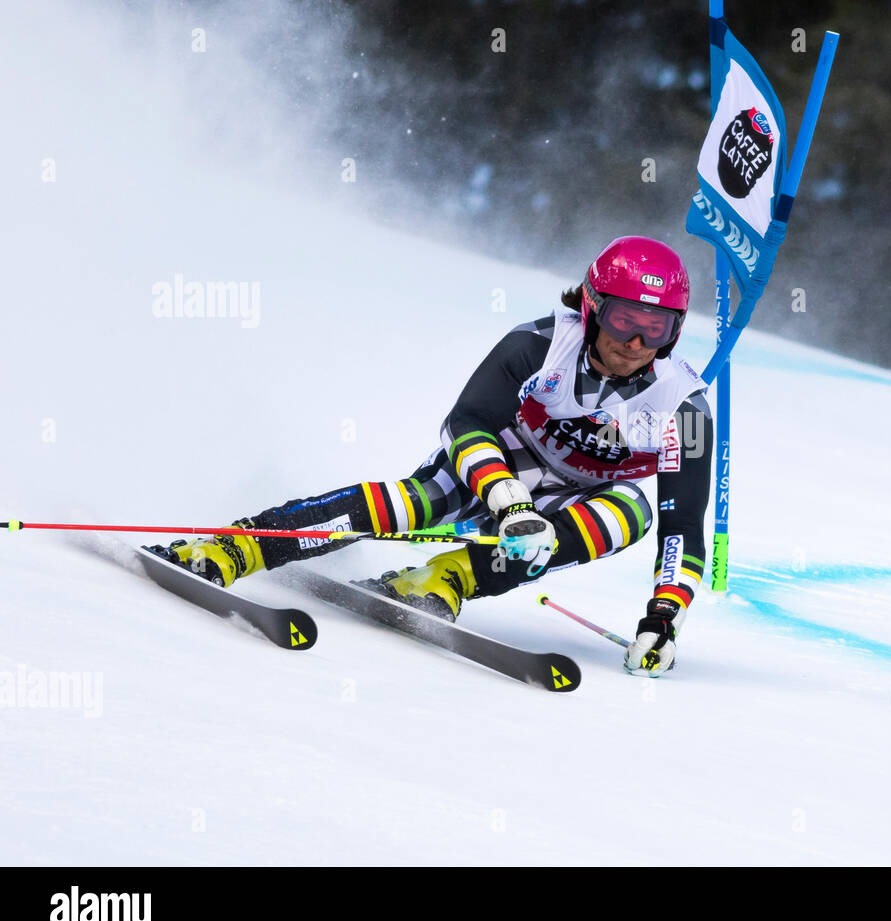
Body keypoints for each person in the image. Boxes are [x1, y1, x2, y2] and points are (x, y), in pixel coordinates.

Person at [152, 236, 713, 676]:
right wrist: (511, 504)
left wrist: (664, 617)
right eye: (623, 321)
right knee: (416, 503)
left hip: (583, 496)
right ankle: (239, 546)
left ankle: (445, 579)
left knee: (631, 511)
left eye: (655, 328)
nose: (636, 344)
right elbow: (466, 424)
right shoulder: (538, 346)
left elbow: (683, 525)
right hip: (499, 463)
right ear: (592, 308)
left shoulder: (685, 407)